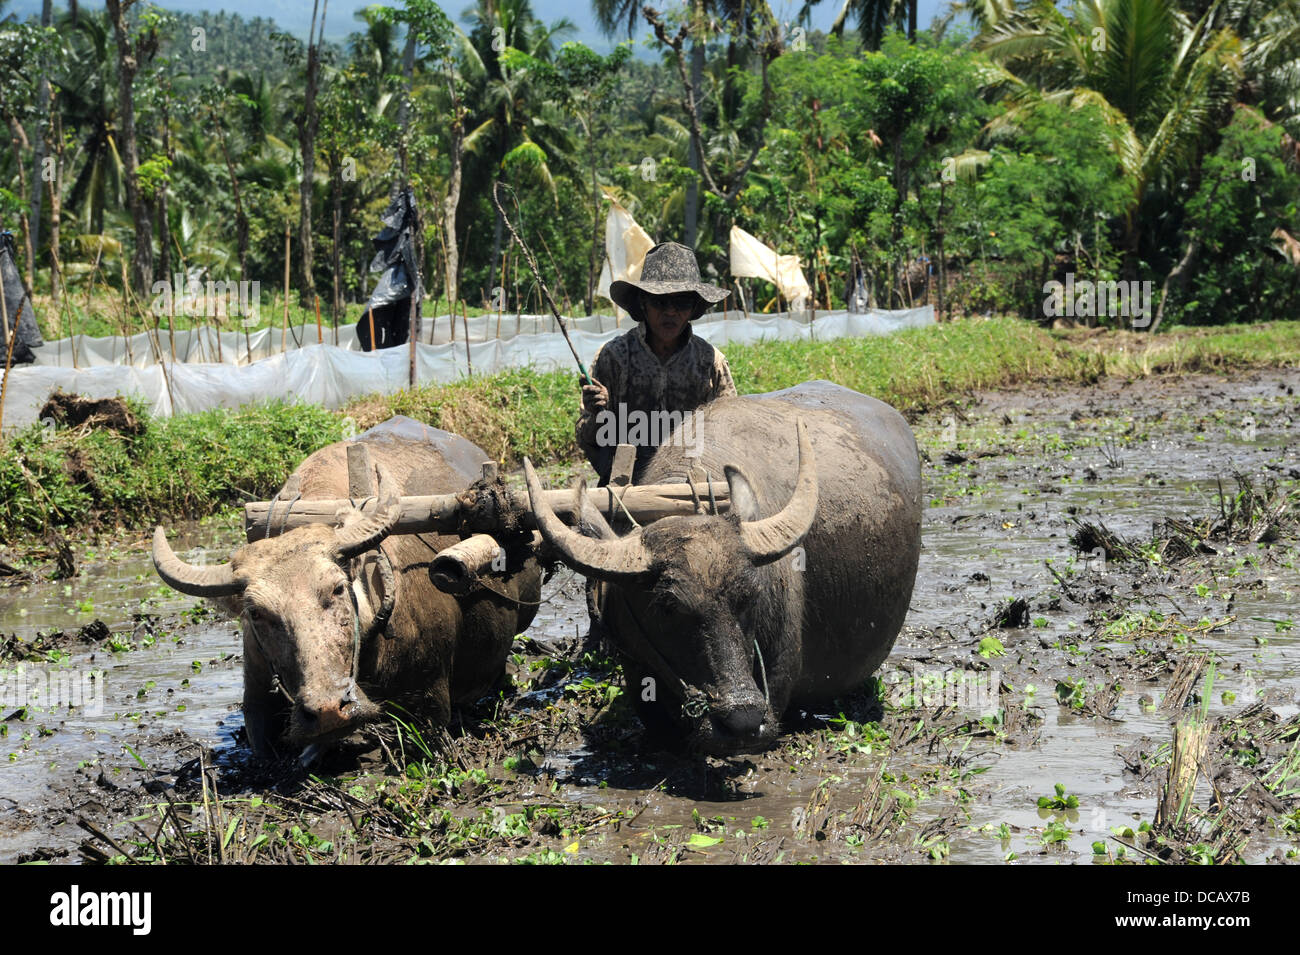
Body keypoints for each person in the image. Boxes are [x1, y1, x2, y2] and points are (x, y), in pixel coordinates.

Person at [576, 242, 737, 483]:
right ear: (643, 302)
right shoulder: (614, 357)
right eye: (660, 301)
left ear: (693, 307)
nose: (670, 312)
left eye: (681, 302)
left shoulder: (709, 362)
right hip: (626, 485)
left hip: (692, 487)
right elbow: (586, 437)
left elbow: (730, 432)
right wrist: (599, 413)